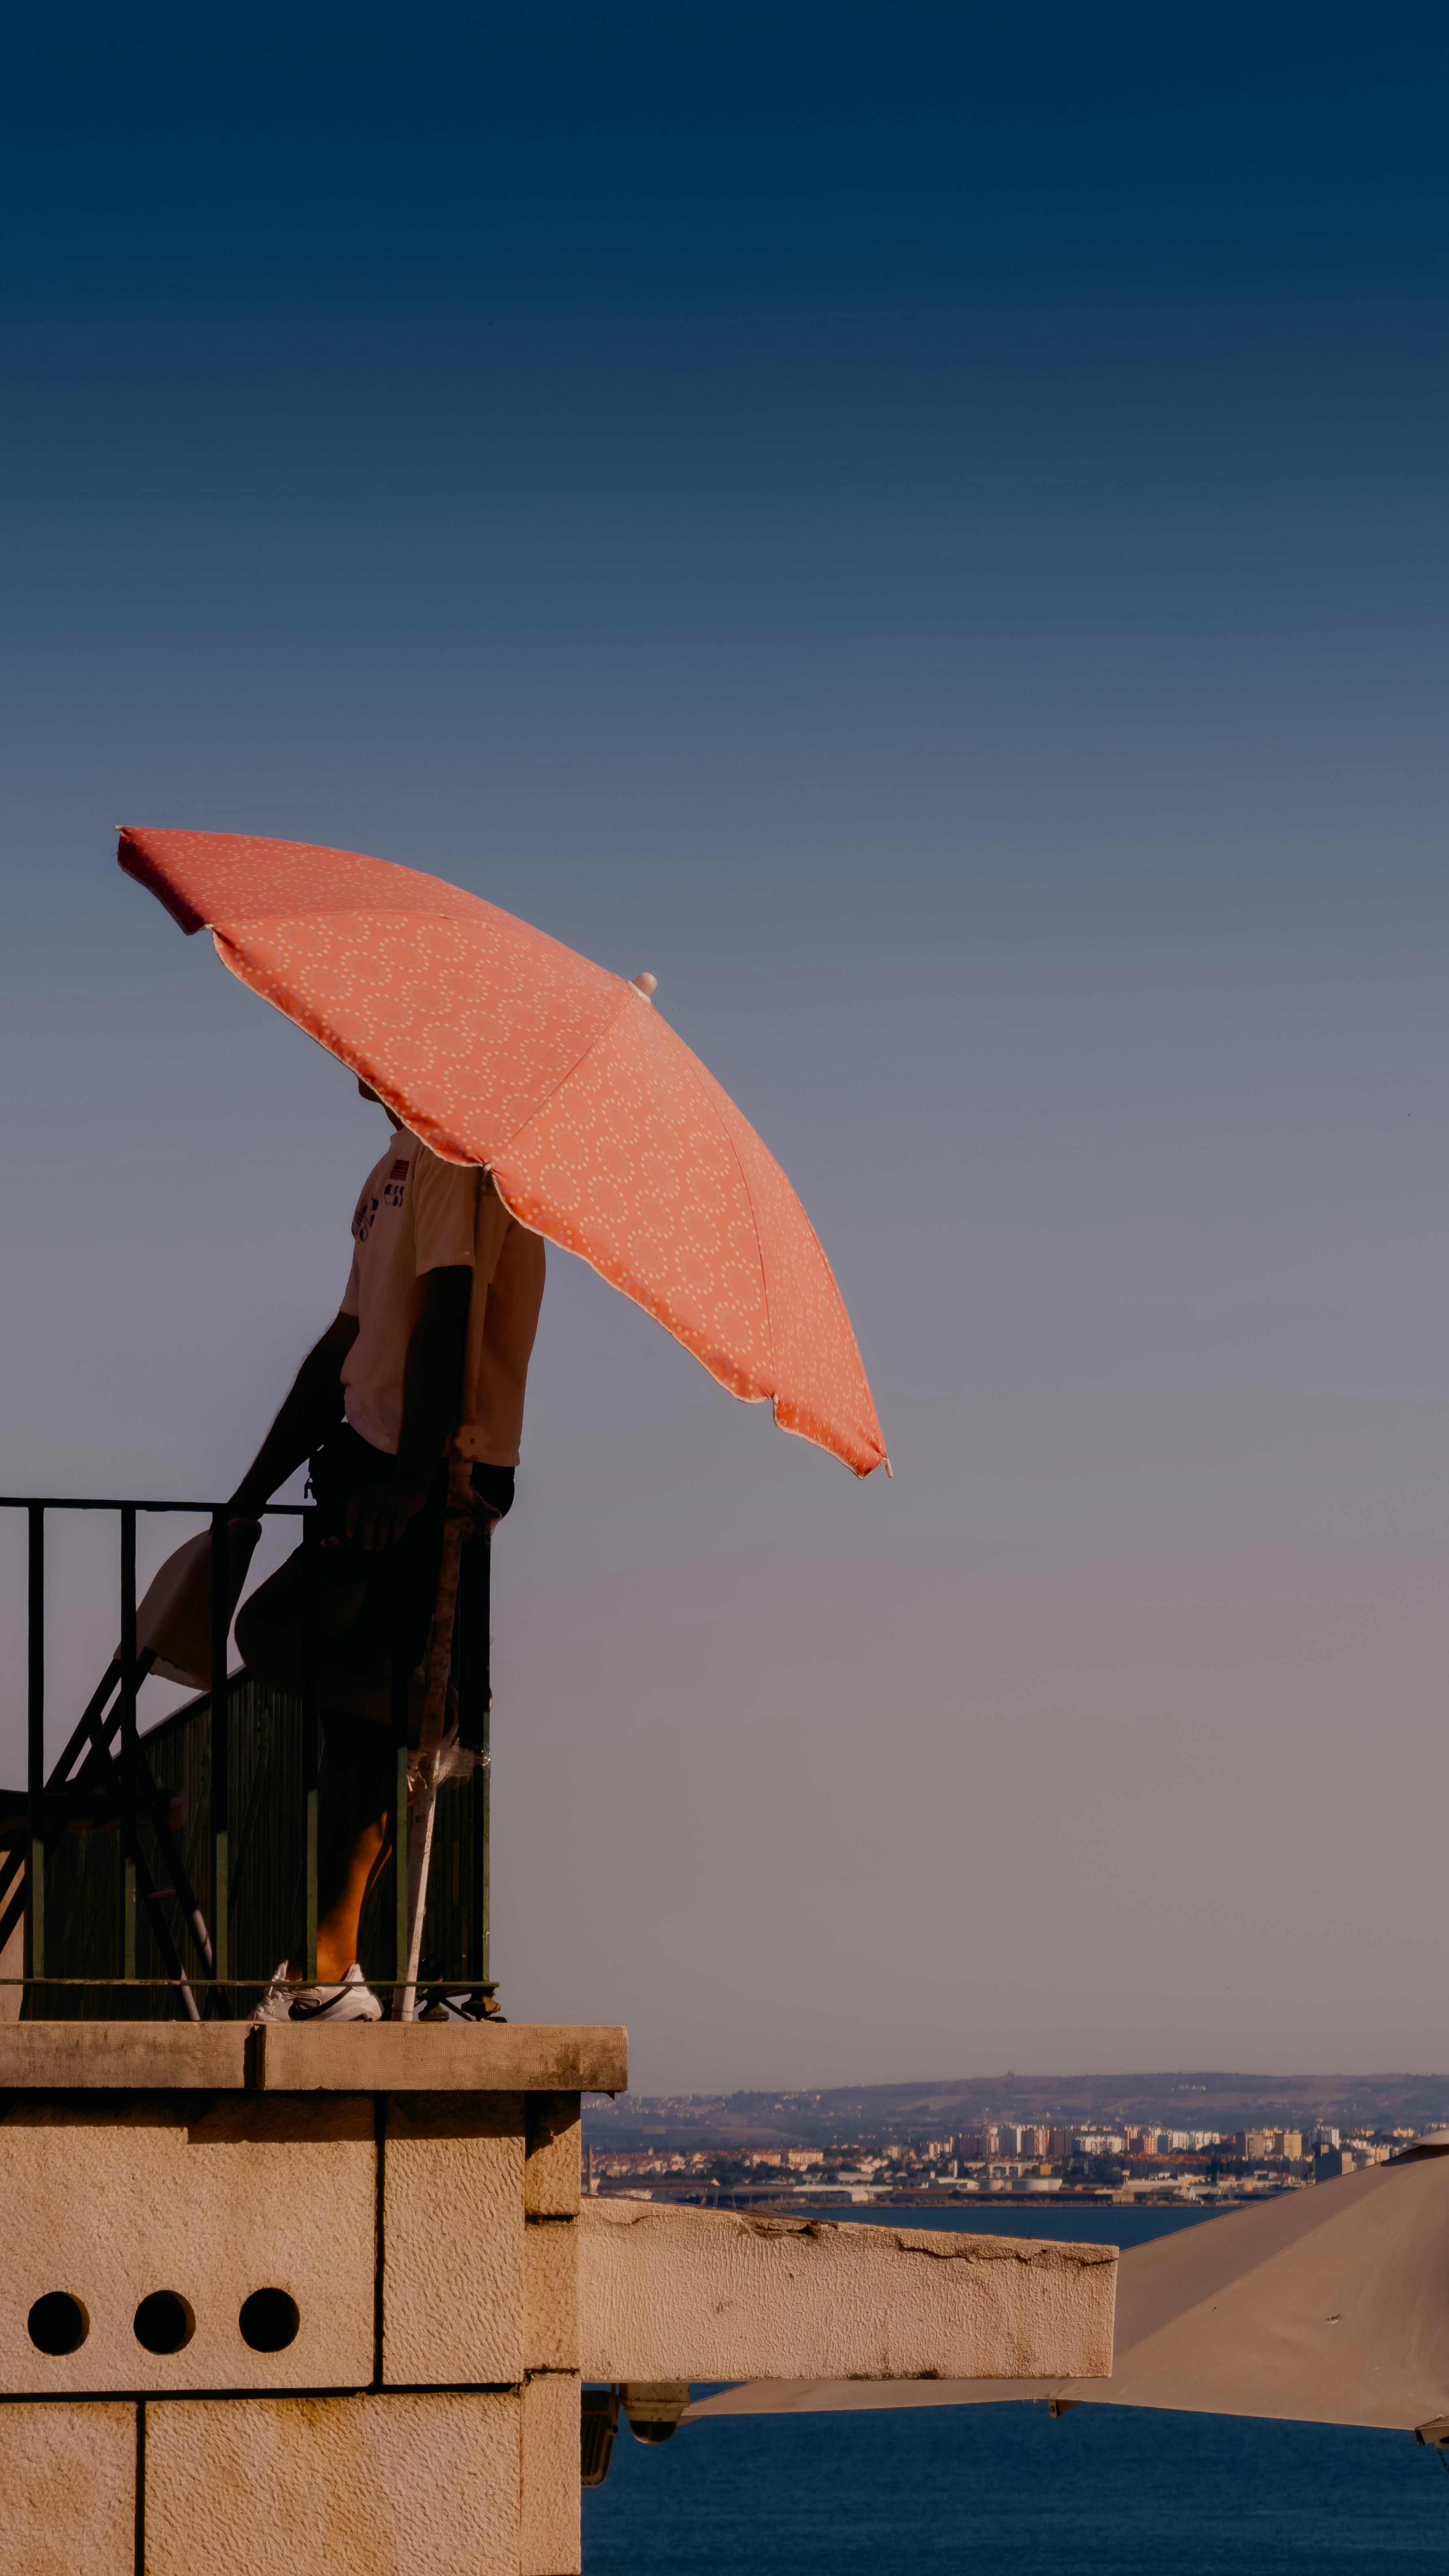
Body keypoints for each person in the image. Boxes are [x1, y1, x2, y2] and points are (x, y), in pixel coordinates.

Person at [230, 1080, 545, 2021]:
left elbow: (450, 1305)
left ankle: (425, 1712)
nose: (350, 1065)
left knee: (276, 1630)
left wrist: (412, 1481)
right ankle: (331, 1974)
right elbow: (349, 1338)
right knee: (353, 1725)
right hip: (375, 1460)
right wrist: (249, 1491)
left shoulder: (456, 1155)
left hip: (429, 1467)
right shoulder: (393, 1168)